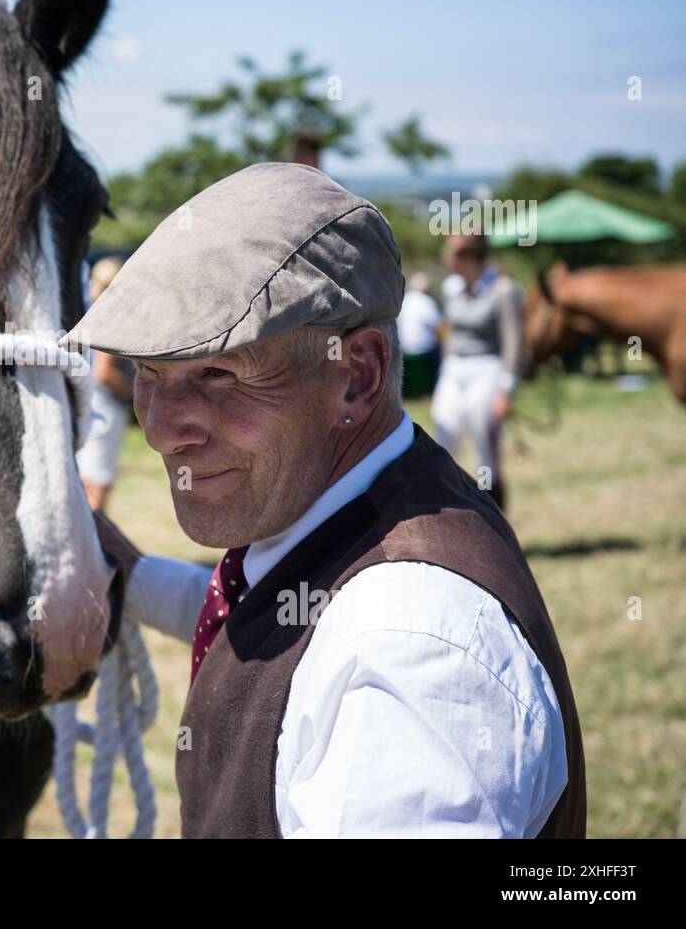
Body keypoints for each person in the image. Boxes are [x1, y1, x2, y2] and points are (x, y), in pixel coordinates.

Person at [66, 162, 584, 837]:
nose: (162, 427)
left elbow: (344, 639)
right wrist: (135, 577)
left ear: (356, 374)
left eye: (217, 372)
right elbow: (297, 621)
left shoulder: (405, 652)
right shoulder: (373, 508)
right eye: (148, 373)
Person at [431, 233, 525, 512]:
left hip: (487, 367)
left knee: (484, 441)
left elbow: (513, 340)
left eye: (453, 254)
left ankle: (493, 514)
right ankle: (448, 508)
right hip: (455, 368)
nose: (447, 260)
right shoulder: (451, 288)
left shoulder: (504, 289)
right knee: (443, 430)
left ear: (471, 257)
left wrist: (506, 389)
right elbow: (449, 331)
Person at [75, 257, 135, 511]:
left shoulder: (84, 309)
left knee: (82, 483)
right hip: (105, 406)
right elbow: (104, 372)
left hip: (85, 400)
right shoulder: (111, 315)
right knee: (98, 488)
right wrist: (138, 392)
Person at [396, 270, 441, 399]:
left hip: (404, 348)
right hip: (422, 350)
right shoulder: (427, 301)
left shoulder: (404, 300)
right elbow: (438, 325)